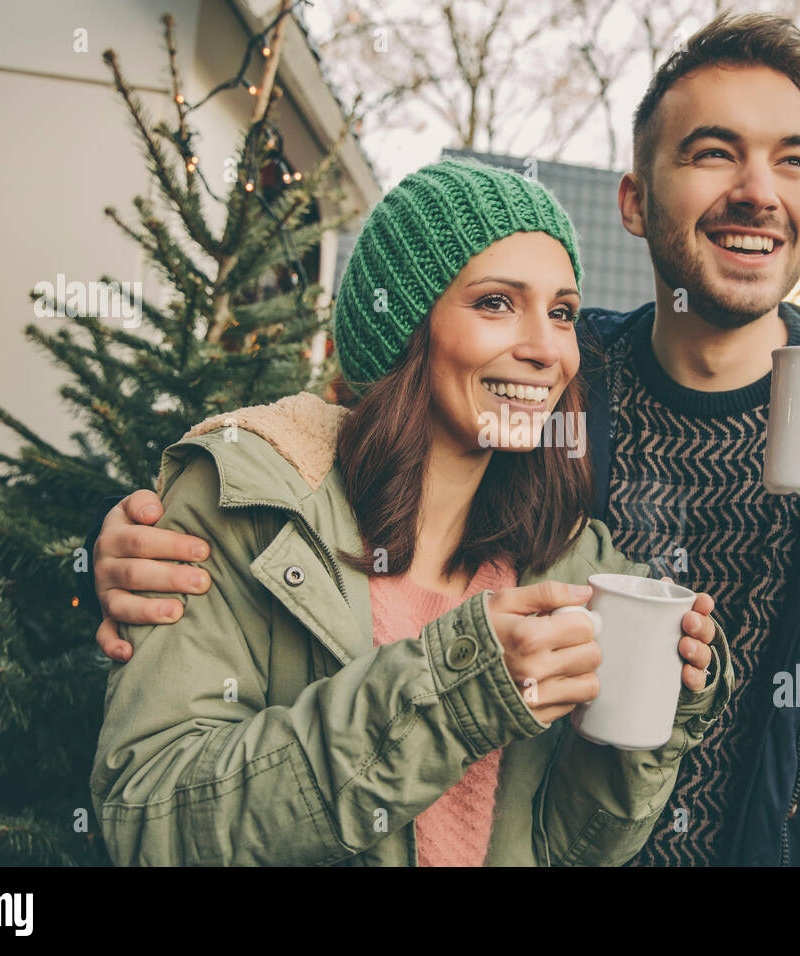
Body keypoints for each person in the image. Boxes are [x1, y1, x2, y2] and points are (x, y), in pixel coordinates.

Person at [83, 12, 800, 866]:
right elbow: (348, 437)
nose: (757, 189)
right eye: (713, 151)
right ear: (636, 201)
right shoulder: (560, 388)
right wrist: (157, 530)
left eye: (792, 160)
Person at [88, 160, 733, 866]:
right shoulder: (246, 508)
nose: (546, 349)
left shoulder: (571, 560)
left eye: (562, 312)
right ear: (403, 326)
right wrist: (453, 695)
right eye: (495, 303)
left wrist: (663, 706)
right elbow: (150, 822)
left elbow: (565, 851)